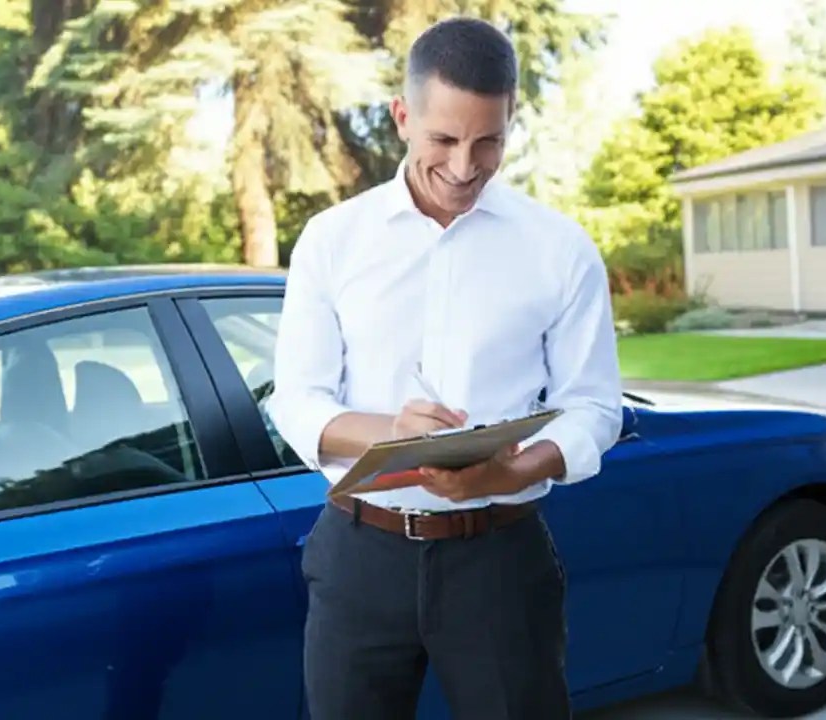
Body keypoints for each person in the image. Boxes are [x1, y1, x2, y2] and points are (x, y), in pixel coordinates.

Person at [264, 16, 624, 720]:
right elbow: (296, 399)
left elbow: (594, 407)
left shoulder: (561, 249)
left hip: (500, 559)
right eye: (444, 139)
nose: (465, 166)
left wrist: (513, 471)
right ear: (403, 117)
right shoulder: (332, 241)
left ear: (511, 119)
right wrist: (387, 432)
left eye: (487, 140)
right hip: (359, 557)